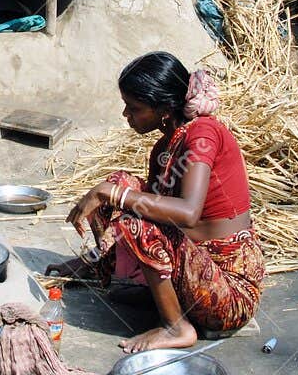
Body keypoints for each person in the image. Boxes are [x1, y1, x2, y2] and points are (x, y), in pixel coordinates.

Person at [51, 51, 264, 352]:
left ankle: (176, 328)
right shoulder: (166, 145)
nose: (127, 115)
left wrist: (113, 195)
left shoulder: (202, 135)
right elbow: (147, 202)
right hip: (192, 272)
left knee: (134, 215)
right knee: (119, 183)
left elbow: (188, 213)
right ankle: (100, 267)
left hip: (228, 294)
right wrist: (109, 199)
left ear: (164, 108)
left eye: (134, 108)